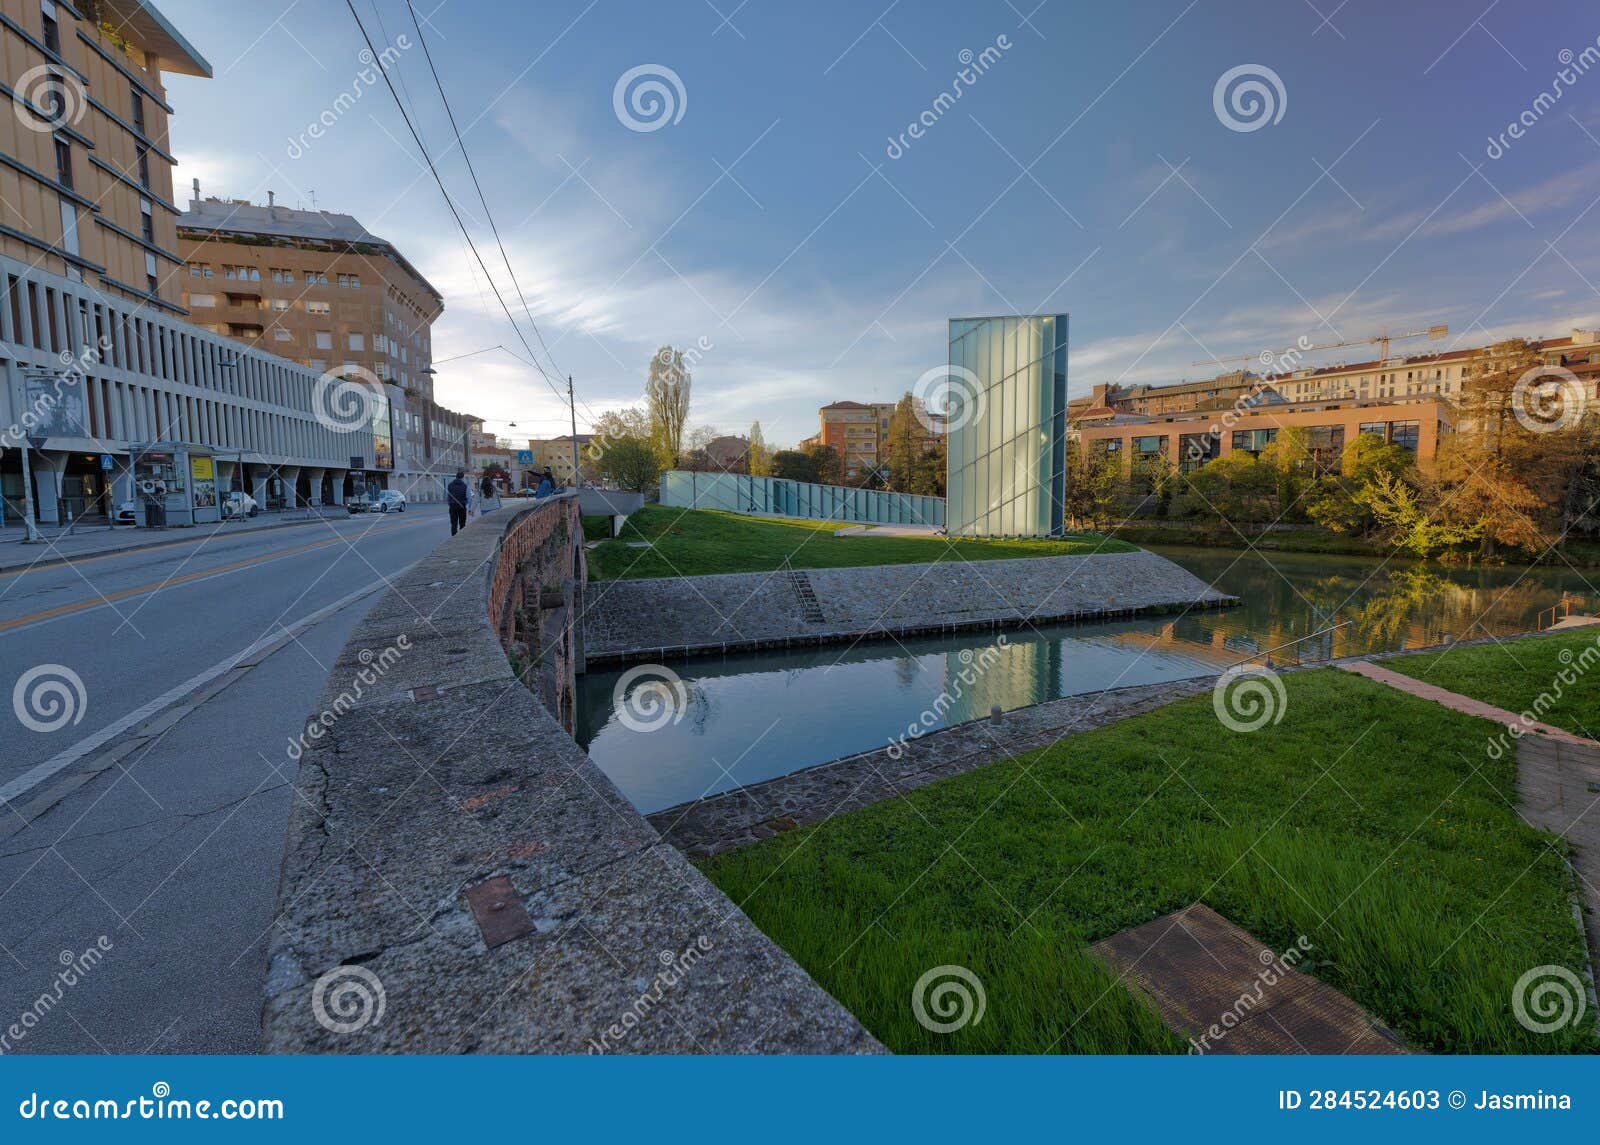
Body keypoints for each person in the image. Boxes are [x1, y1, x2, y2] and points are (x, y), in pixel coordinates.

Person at [447, 470, 470, 535]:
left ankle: (453, 537)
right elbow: (469, 496)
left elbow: (449, 495)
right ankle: (461, 537)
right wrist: (467, 504)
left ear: (456, 476)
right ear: (462, 477)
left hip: (452, 506)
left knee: (454, 523)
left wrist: (450, 503)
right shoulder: (465, 486)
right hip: (462, 506)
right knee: (462, 523)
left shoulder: (450, 485)